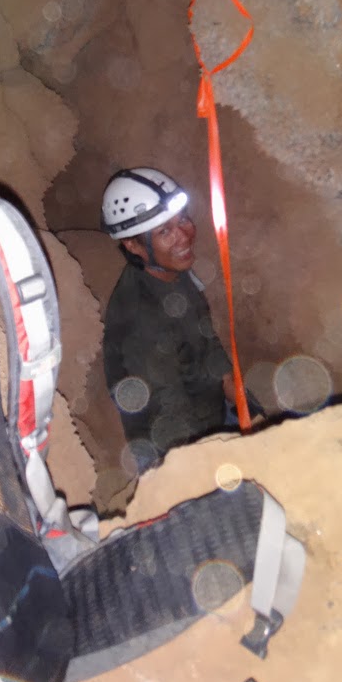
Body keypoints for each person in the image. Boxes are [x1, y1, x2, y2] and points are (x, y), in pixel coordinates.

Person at [101, 167, 238, 472]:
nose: (185, 235)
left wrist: (244, 404)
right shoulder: (142, 322)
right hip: (170, 448)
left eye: (183, 220)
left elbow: (206, 342)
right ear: (133, 246)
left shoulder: (170, 270)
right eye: (165, 232)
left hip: (208, 415)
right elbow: (171, 423)